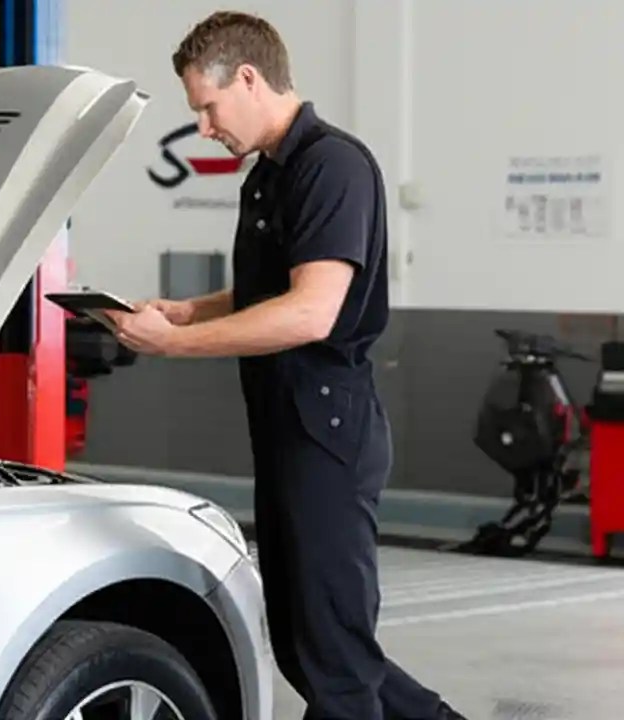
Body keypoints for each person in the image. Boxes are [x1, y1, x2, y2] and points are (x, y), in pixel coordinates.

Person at [105, 11, 466, 720]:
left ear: (248, 78)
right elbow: (273, 289)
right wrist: (188, 312)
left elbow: (310, 312)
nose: (204, 128)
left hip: (329, 425)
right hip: (285, 422)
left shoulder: (333, 164)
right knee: (307, 643)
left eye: (207, 108)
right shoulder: (269, 175)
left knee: (333, 657)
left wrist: (170, 346)